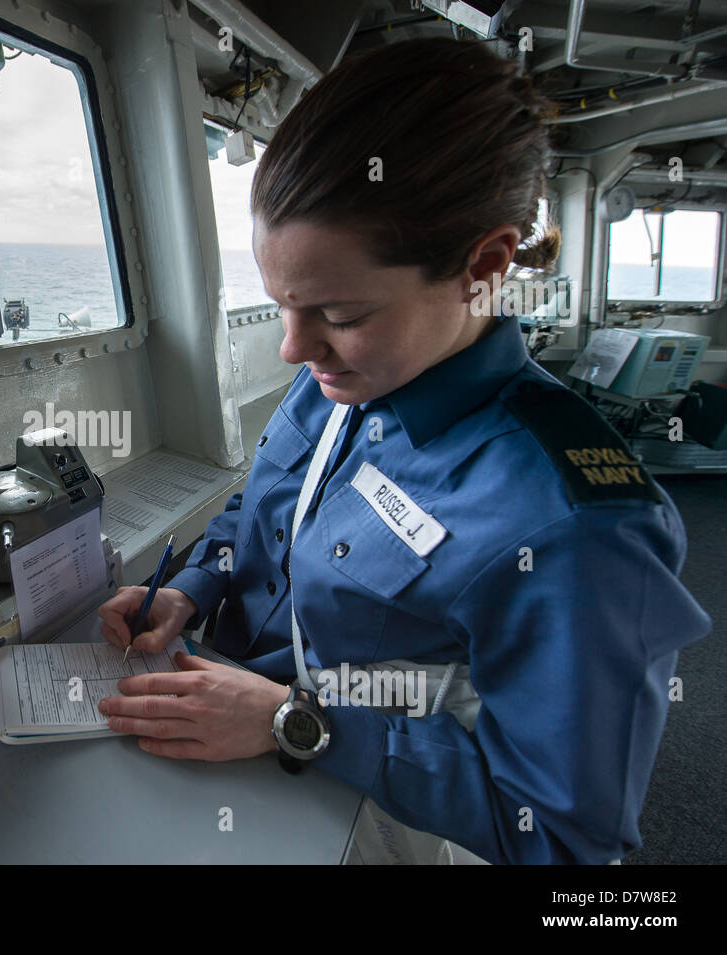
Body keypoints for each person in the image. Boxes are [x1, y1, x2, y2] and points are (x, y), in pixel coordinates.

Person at [95, 36, 711, 864]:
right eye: (281, 304)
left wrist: (295, 721)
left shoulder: (577, 525)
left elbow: (564, 836)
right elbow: (264, 513)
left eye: (340, 314)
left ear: (482, 266)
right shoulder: (346, 374)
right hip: (231, 734)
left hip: (367, 809)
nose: (293, 349)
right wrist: (196, 589)